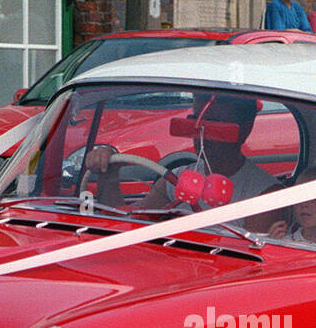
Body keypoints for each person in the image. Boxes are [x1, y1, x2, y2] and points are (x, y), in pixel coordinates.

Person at [86, 94, 281, 231]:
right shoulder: (174, 179)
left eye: (213, 123)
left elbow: (250, 266)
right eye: (195, 121)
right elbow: (127, 223)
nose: (201, 133)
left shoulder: (264, 194)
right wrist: (108, 172)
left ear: (244, 130)